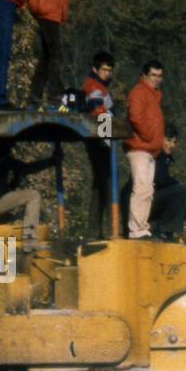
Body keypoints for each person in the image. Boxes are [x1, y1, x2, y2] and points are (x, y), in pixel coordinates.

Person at [22, 0, 84, 111]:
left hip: (55, 10)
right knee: (55, 51)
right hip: (44, 8)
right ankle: (55, 95)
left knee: (47, 55)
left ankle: (34, 97)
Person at [0, 140, 55, 243]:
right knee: (33, 195)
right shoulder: (1, 158)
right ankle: (30, 242)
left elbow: (3, 193)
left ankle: (12, 248)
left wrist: (16, 178)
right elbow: (28, 168)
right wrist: (50, 161)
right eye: (9, 146)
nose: (10, 149)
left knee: (16, 217)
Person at [121, 124, 186, 241]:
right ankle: (163, 230)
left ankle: (158, 228)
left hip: (148, 198)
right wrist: (176, 183)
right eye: (168, 140)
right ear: (160, 138)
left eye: (174, 142)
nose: (172, 145)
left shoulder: (164, 157)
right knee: (179, 192)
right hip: (136, 202)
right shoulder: (156, 155)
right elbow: (160, 178)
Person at [124, 60, 166, 239]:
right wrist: (149, 136)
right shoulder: (139, 92)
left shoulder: (154, 96)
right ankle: (136, 229)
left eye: (159, 76)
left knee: (147, 190)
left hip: (150, 150)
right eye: (153, 75)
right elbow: (135, 117)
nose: (156, 79)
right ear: (144, 75)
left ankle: (142, 227)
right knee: (142, 188)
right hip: (139, 147)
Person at [82, 51, 116, 238]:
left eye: (110, 70)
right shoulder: (94, 87)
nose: (107, 73)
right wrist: (107, 138)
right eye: (104, 70)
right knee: (108, 181)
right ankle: (112, 230)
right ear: (95, 69)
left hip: (98, 139)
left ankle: (94, 232)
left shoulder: (99, 86)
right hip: (98, 140)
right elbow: (98, 112)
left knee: (100, 184)